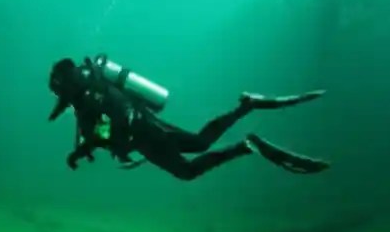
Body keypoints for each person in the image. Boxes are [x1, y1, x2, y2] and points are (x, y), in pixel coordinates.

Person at [47, 56, 331, 180]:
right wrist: (82, 150)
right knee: (199, 143)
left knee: (188, 169)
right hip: (146, 134)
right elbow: (101, 130)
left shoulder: (92, 96)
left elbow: (111, 123)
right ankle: (247, 108)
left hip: (149, 135)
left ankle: (246, 143)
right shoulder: (88, 96)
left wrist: (98, 145)